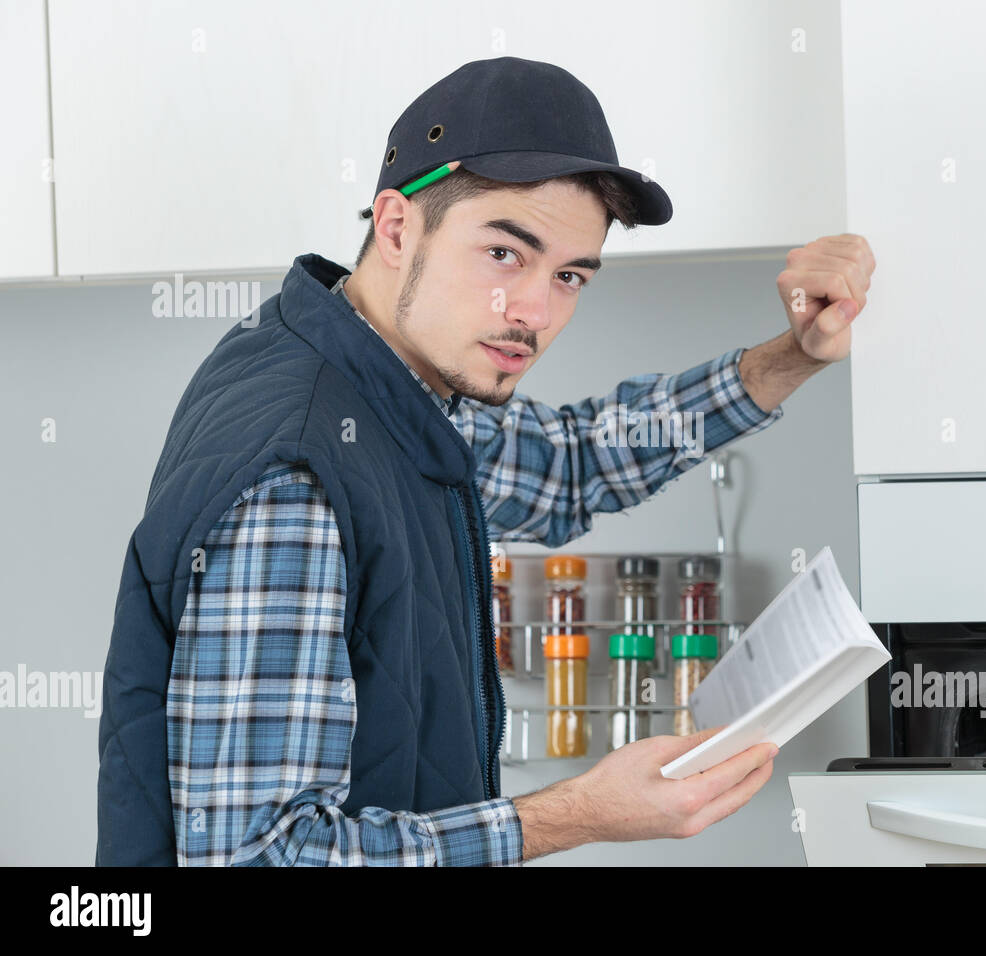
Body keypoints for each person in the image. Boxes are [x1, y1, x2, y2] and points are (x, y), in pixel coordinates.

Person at [96, 56, 873, 866]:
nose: (534, 312)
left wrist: (797, 354)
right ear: (398, 227)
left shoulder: (381, 384)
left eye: (570, 274)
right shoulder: (299, 477)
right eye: (505, 253)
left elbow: (570, 464)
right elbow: (254, 856)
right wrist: (580, 814)